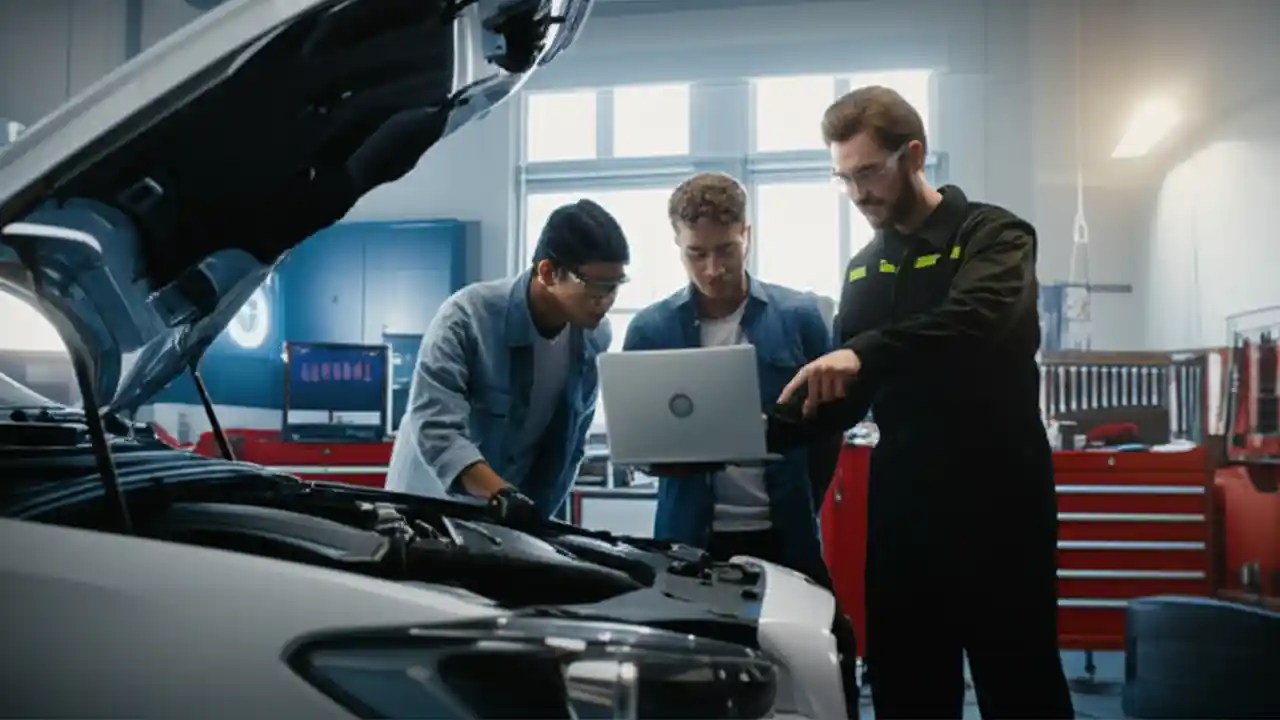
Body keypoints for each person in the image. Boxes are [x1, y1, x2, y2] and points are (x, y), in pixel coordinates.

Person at [770, 86, 1074, 718]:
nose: (858, 194)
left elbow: (976, 321)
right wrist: (764, 429)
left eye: (869, 173)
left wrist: (864, 353)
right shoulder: (861, 268)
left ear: (913, 155)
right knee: (907, 686)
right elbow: (848, 394)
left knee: (1018, 684)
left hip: (999, 503)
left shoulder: (993, 235)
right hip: (905, 510)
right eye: (843, 178)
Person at [622, 172, 836, 584]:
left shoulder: (800, 318)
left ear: (748, 236)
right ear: (677, 245)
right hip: (687, 536)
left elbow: (828, 431)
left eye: (726, 250)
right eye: (696, 254)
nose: (713, 269)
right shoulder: (651, 330)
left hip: (786, 535)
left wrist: (805, 500)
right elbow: (641, 446)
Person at [385, 199, 630, 527]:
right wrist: (502, 496)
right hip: (429, 510)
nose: (606, 301)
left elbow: (568, 446)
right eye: (596, 288)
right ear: (547, 272)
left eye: (614, 287)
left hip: (507, 518)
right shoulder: (467, 316)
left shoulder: (594, 336)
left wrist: (535, 521)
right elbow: (435, 427)